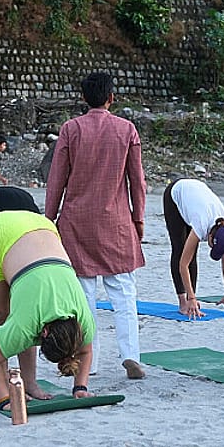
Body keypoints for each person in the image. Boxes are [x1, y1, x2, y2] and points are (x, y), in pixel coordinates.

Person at [45, 71, 148, 379]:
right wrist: (138, 219)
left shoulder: (70, 129)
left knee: (83, 300)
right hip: (116, 224)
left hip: (76, 226)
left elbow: (56, 181)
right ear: (111, 98)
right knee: (124, 296)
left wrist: (49, 220)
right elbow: (137, 183)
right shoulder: (126, 129)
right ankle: (131, 355)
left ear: (83, 98)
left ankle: (89, 360)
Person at [0, 209, 96, 409]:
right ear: (45, 332)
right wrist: (5, 400)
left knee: (26, 326)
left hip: (43, 224)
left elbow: (85, 352)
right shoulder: (26, 324)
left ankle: (29, 384)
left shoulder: (83, 323)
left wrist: (80, 388)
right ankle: (7, 382)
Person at [163, 178, 224, 318]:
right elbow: (183, 265)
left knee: (192, 253)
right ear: (210, 235)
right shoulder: (201, 223)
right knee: (181, 249)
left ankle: (192, 298)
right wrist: (190, 299)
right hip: (176, 193)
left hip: (196, 197)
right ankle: (183, 303)